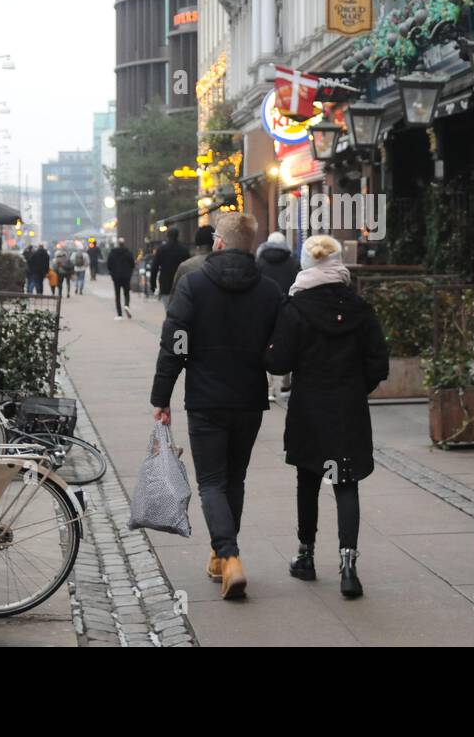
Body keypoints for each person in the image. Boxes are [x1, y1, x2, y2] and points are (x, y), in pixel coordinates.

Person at [150, 214, 282, 600]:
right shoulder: (270, 291)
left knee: (211, 482)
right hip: (249, 399)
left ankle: (230, 555)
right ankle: (219, 555)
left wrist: (162, 396)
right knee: (234, 480)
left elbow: (175, 342)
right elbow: (280, 350)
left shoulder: (194, 284)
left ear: (219, 243)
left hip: (206, 399)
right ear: (250, 245)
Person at [264, 235, 388, 598]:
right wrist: (354, 388)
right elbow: (378, 364)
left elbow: (278, 362)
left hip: (309, 407)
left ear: (306, 263)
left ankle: (306, 556)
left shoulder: (296, 307)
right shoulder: (360, 308)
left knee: (308, 480)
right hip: (347, 407)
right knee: (346, 482)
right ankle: (349, 566)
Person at [256, 232, 300, 399]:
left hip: (264, 307)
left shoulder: (260, 262)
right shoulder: (293, 262)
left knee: (265, 344)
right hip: (287, 307)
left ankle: (269, 389)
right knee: (288, 343)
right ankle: (285, 384)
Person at [149, 228, 189, 310]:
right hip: (180, 284)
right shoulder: (184, 250)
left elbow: (154, 267)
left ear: (167, 236)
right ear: (178, 236)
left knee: (168, 309)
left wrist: (153, 284)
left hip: (165, 284)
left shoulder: (162, 250)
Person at [171, 224, 216, 293]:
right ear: (215, 241)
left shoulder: (185, 266)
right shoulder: (225, 264)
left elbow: (175, 294)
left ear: (197, 243)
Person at [107, 237, 135, 320]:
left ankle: (119, 314)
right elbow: (132, 264)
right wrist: (129, 273)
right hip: (126, 277)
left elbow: (109, 265)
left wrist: (112, 274)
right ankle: (126, 305)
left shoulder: (112, 253)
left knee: (117, 295)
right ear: (124, 243)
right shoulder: (128, 253)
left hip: (116, 277)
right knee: (126, 293)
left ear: (118, 244)